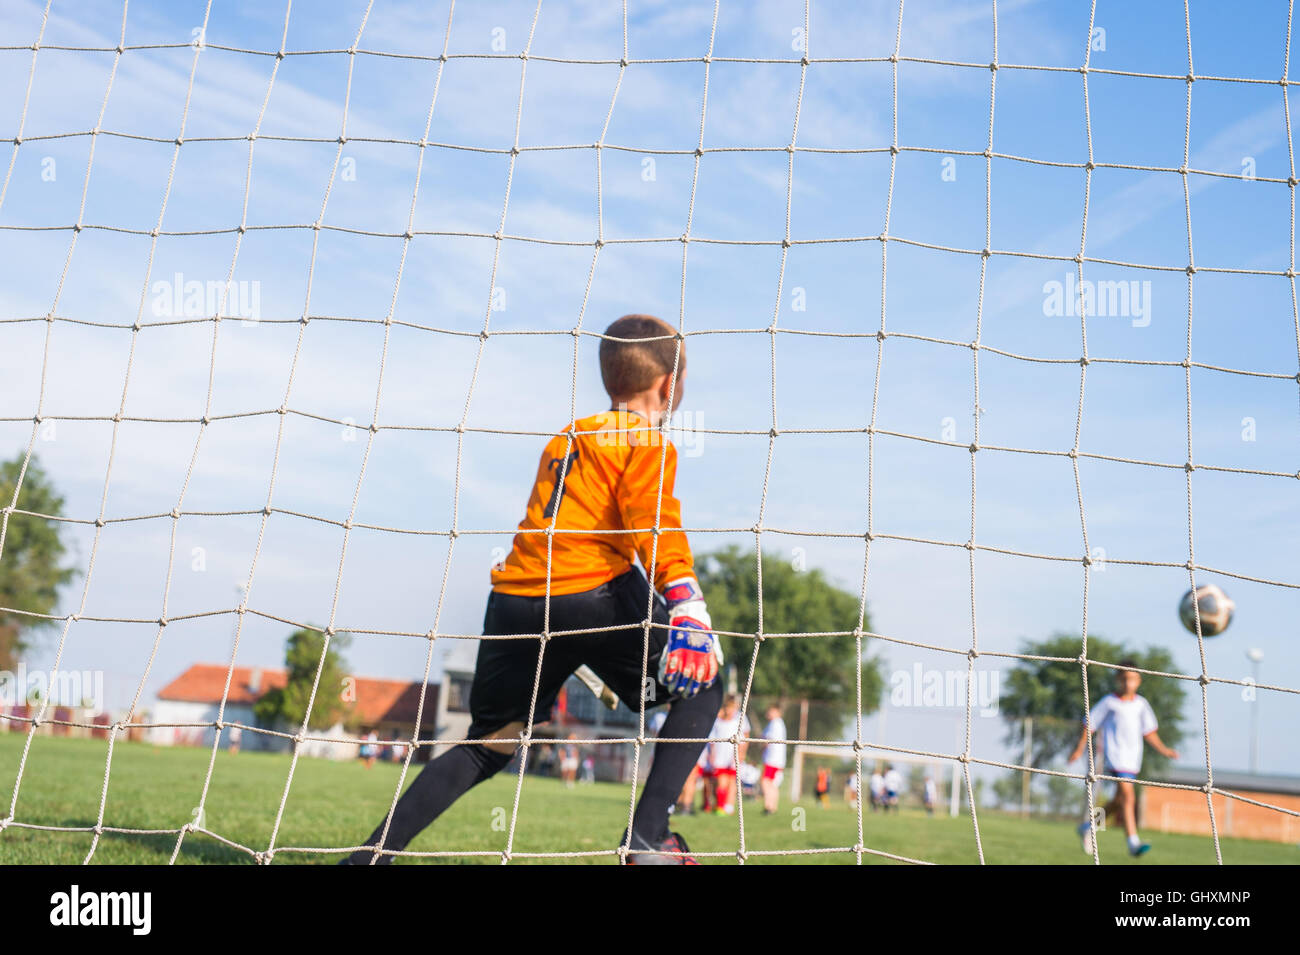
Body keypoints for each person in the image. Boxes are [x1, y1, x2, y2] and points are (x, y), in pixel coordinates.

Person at [341, 314, 723, 865]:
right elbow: (653, 521)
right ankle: (646, 838)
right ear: (670, 385)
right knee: (706, 685)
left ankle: (364, 860)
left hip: (517, 600)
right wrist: (685, 600)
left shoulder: (568, 436)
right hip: (595, 592)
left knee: (487, 745)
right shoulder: (648, 442)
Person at [1070, 660, 1179, 857]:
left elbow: (1150, 732)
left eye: (1133, 679)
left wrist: (1165, 750)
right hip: (1115, 756)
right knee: (1129, 796)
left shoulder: (1141, 704)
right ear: (1118, 680)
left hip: (1133, 758)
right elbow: (1090, 724)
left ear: (1139, 681)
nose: (1129, 683)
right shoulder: (1109, 702)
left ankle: (1089, 826)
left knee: (1120, 800)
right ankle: (1133, 842)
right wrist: (1079, 749)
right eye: (1125, 679)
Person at [708, 695, 750, 815]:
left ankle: (728, 805)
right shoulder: (718, 722)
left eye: (732, 708)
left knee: (732, 781)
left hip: (733, 756)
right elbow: (712, 741)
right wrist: (712, 755)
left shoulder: (738, 722)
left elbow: (743, 740)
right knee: (721, 782)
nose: (730, 710)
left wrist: (741, 754)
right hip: (720, 757)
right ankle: (720, 805)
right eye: (728, 708)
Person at [759, 704, 787, 814]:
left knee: (766, 782)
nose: (769, 713)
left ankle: (768, 805)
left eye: (771, 711)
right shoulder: (779, 723)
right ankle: (772, 806)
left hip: (772, 759)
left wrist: (762, 751)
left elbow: (766, 740)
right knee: (772, 783)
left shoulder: (774, 723)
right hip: (778, 760)